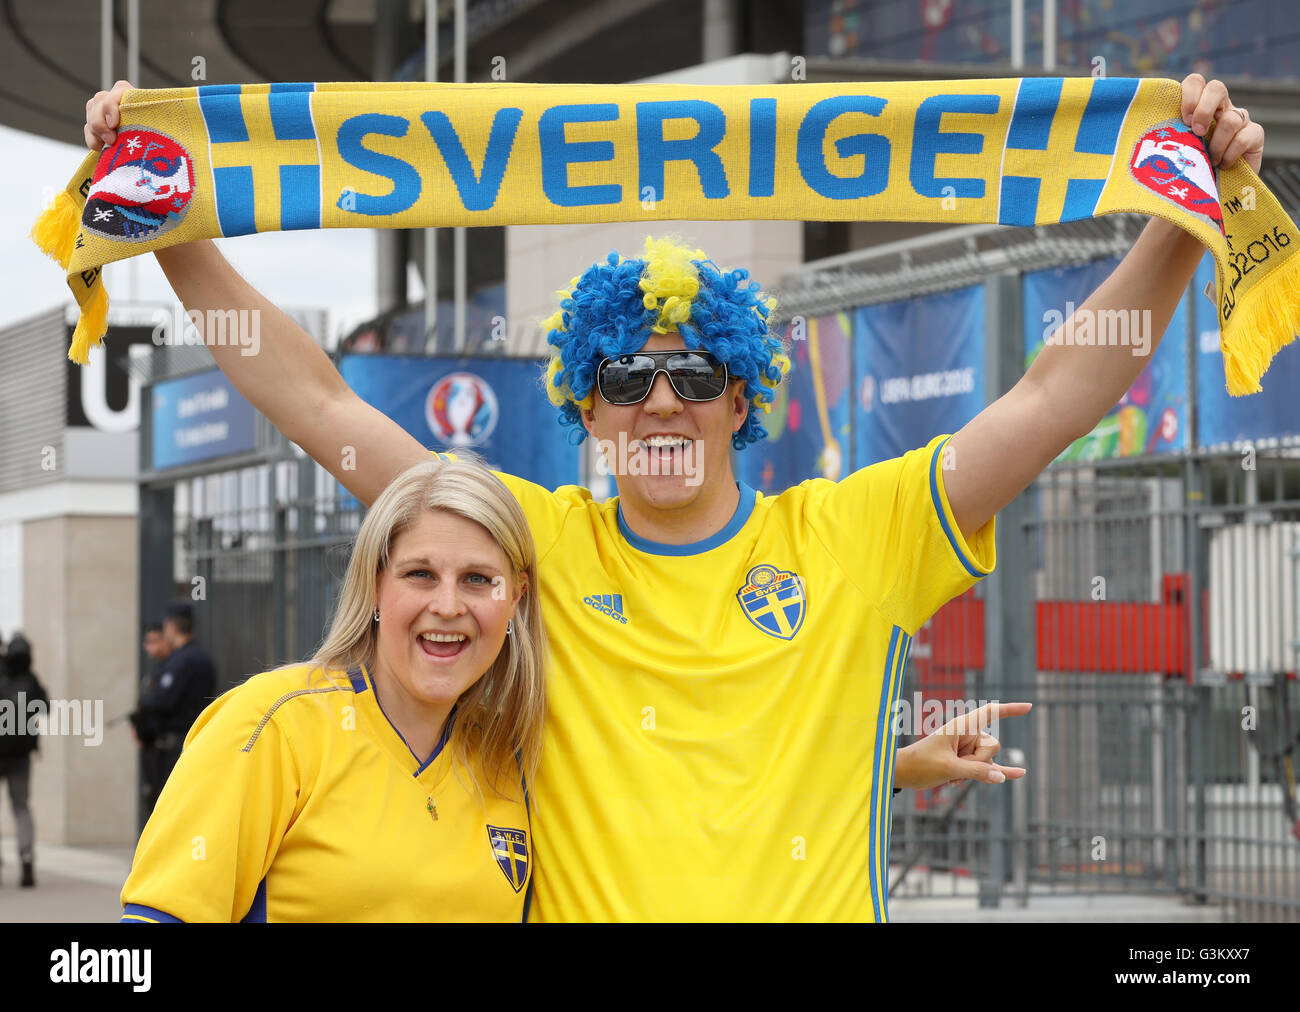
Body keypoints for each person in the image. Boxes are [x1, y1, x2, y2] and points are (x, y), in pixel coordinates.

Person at [86, 72, 1261, 921]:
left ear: (742, 396)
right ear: (585, 406)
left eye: (694, 372)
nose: (659, 400)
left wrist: (1177, 219)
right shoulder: (523, 548)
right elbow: (323, 408)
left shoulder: (857, 530)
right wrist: (169, 224)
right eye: (626, 377)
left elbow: (1057, 394)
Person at [120, 454, 544, 921]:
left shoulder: (513, 758)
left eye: (478, 580)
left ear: (515, 598)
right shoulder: (272, 725)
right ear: (375, 584)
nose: (447, 605)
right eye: (419, 574)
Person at [133, 602, 216, 800]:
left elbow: (162, 701)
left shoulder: (180, 661)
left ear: (171, 627)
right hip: (195, 739)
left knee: (164, 802)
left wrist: (144, 704)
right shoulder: (203, 658)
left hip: (171, 747)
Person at [0, 634, 49, 888]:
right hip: (20, 755)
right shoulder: (28, 678)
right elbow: (45, 707)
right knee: (21, 807)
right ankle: (27, 857)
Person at [129, 622, 173, 824]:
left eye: (153, 641)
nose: (149, 647)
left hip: (164, 747)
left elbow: (160, 704)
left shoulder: (174, 668)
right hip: (151, 747)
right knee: (150, 797)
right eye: (147, 642)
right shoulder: (157, 671)